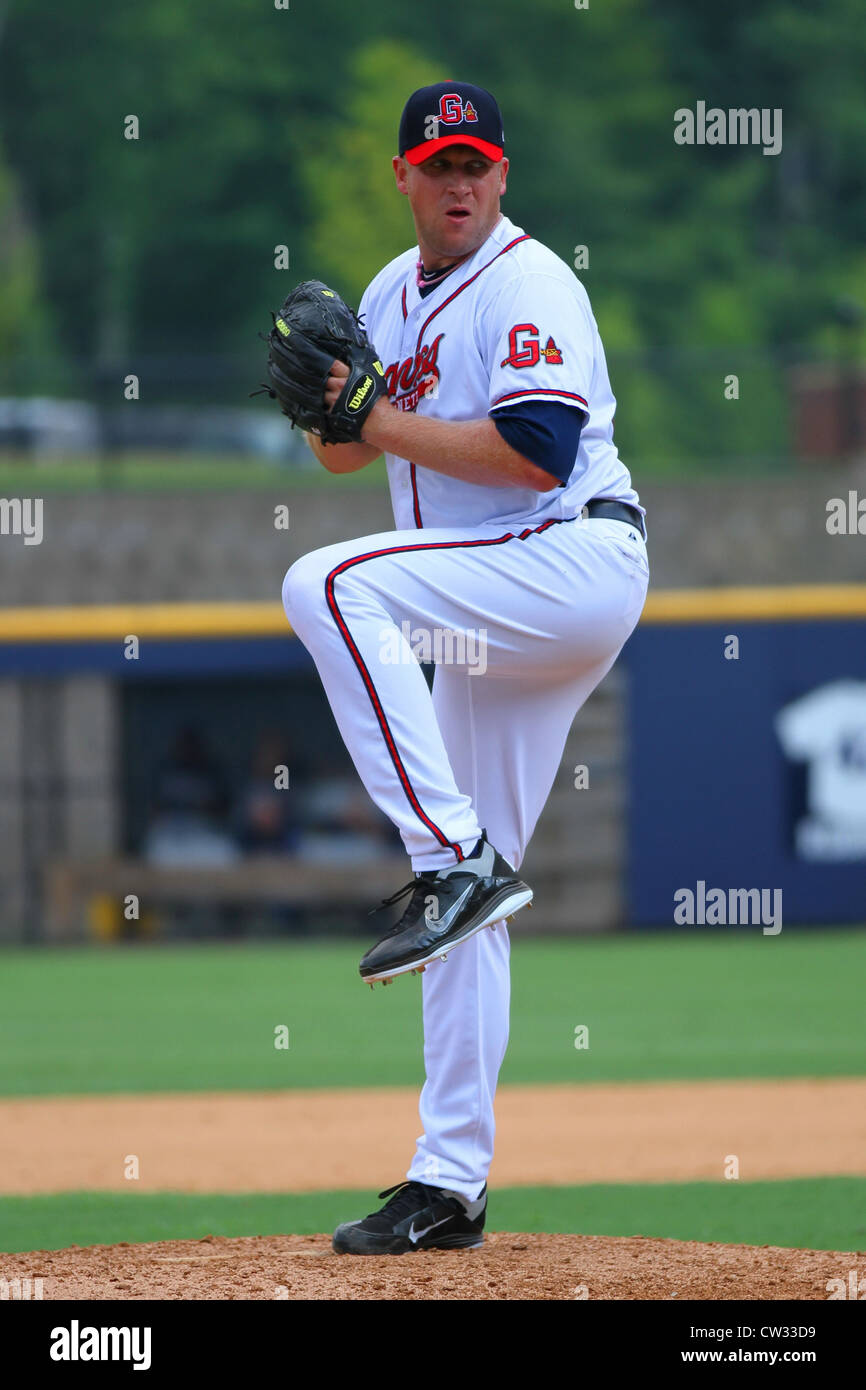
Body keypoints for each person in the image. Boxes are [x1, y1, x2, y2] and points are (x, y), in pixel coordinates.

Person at [281, 81, 649, 1255]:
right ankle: (449, 1183)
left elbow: (538, 454)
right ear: (404, 176)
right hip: (481, 597)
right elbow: (349, 457)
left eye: (474, 164)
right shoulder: (391, 291)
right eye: (435, 164)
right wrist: (323, 407)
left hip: (566, 556)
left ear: (502, 175)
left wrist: (370, 413)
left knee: (327, 586)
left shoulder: (530, 280)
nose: (455, 183)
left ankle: (449, 860)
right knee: (467, 918)